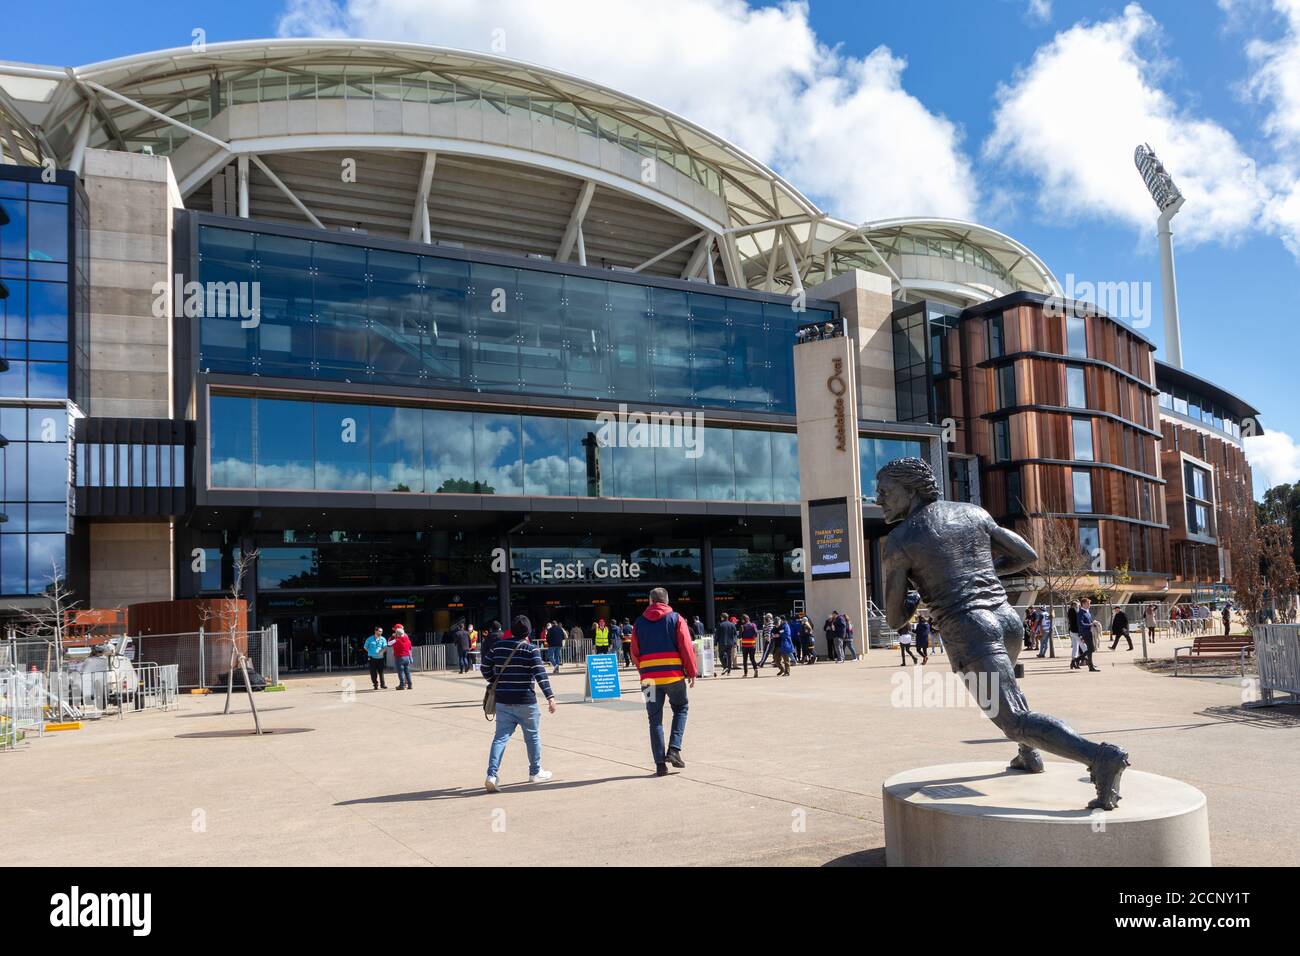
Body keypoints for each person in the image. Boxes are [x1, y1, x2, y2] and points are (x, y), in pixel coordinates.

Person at [877, 456, 1129, 810]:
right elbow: (1026, 555)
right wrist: (985, 573)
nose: (878, 499)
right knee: (1009, 691)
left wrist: (919, 595)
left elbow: (894, 620)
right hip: (1008, 621)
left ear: (910, 488)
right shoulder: (972, 512)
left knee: (1012, 719)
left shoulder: (900, 540)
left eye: (885, 491)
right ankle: (1029, 754)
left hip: (969, 628)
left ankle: (1100, 758)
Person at [482, 615, 556, 792]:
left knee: (500, 738)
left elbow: (485, 667)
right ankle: (535, 771)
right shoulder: (531, 649)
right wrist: (550, 697)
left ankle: (492, 775)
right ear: (528, 632)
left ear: (511, 630)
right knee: (532, 737)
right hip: (526, 702)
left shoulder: (498, 646)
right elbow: (540, 674)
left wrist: (495, 681)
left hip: (503, 701)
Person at [630, 587, 697, 776]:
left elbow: (634, 652)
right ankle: (674, 750)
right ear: (667, 601)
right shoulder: (676, 618)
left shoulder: (639, 622)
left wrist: (643, 671)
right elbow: (686, 646)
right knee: (681, 708)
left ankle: (660, 764)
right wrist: (691, 671)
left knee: (654, 720)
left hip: (649, 680)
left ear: (650, 601)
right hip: (673, 676)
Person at [1077, 598, 1099, 672]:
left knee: (1091, 649)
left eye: (1089, 603)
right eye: (1088, 603)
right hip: (1085, 633)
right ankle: (1090, 666)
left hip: (1089, 633)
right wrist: (1090, 624)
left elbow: (1090, 622)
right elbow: (1080, 624)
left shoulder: (1087, 612)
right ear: (1083, 604)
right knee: (1091, 649)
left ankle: (1077, 660)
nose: (1089, 605)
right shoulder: (1081, 612)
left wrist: (1095, 624)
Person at [389, 623, 413, 690]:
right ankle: (410, 685)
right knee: (407, 671)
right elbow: (410, 648)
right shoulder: (408, 640)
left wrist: (392, 637)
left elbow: (389, 643)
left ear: (397, 633)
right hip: (406, 657)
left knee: (401, 672)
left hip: (399, 657)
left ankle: (402, 685)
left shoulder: (396, 640)